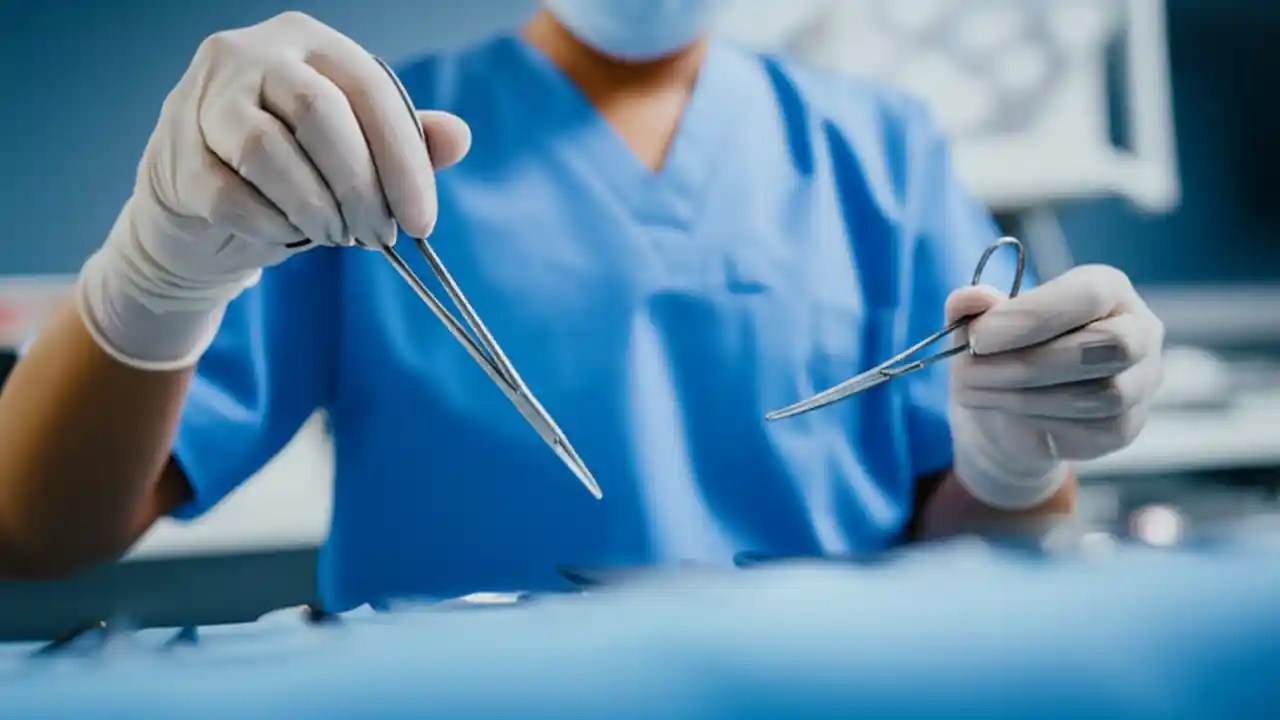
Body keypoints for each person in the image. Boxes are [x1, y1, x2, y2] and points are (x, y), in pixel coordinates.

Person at [0, 0, 1164, 609]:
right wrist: (154, 268)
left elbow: (978, 557)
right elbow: (32, 533)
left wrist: (1017, 466)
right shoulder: (352, 147)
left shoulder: (876, 148)